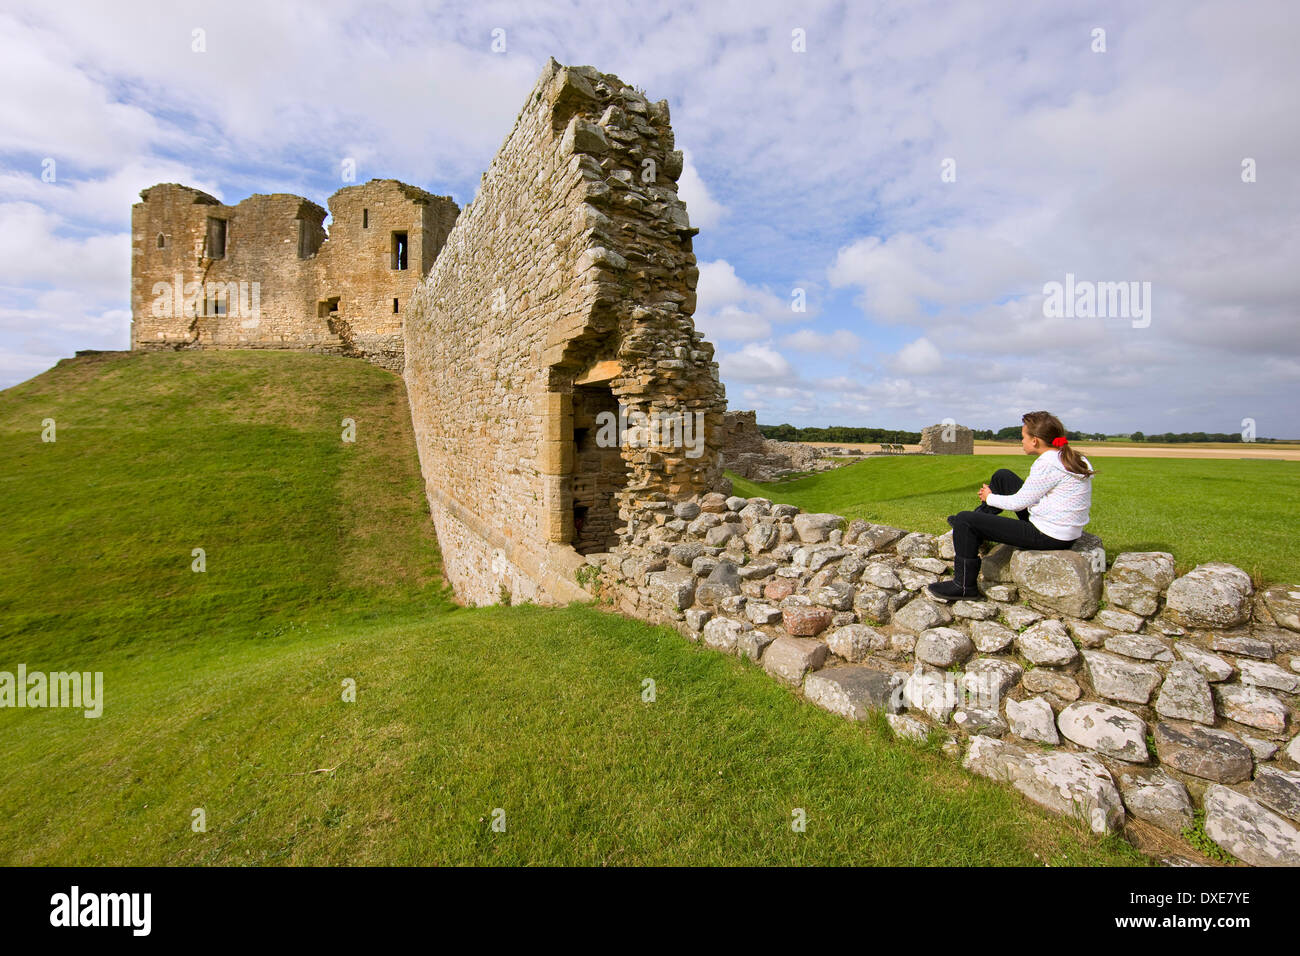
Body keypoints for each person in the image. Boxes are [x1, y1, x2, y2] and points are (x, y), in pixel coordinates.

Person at [927, 410, 1094, 601]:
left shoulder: (1047, 463)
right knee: (1003, 476)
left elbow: (1018, 503)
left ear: (1035, 441)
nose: (1020, 441)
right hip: (1061, 528)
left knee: (965, 520)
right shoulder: (1068, 456)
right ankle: (976, 529)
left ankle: (964, 585)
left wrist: (989, 497)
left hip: (1049, 535)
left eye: (1023, 437)